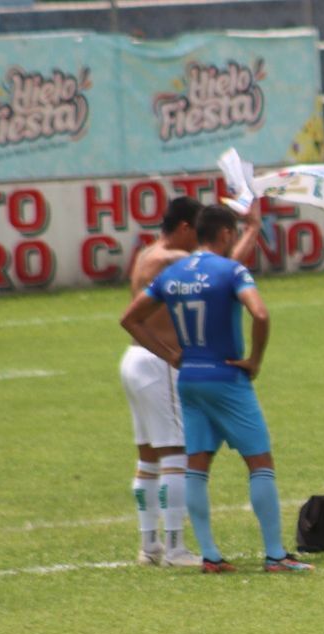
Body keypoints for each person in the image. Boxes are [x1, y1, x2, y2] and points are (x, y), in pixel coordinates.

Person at [120, 204, 311, 573]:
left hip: (189, 377)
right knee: (259, 462)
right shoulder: (231, 271)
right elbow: (260, 313)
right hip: (226, 377)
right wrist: (255, 359)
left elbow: (129, 318)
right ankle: (275, 555)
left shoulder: (173, 272)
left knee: (196, 464)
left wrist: (171, 355)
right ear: (225, 233)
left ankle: (209, 555)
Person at [118, 196, 203, 568]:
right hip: (157, 362)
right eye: (200, 231)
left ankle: (150, 546)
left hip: (137, 359)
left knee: (148, 457)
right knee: (176, 453)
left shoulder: (146, 254)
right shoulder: (168, 260)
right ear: (185, 227)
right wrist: (250, 228)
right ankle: (175, 549)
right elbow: (224, 264)